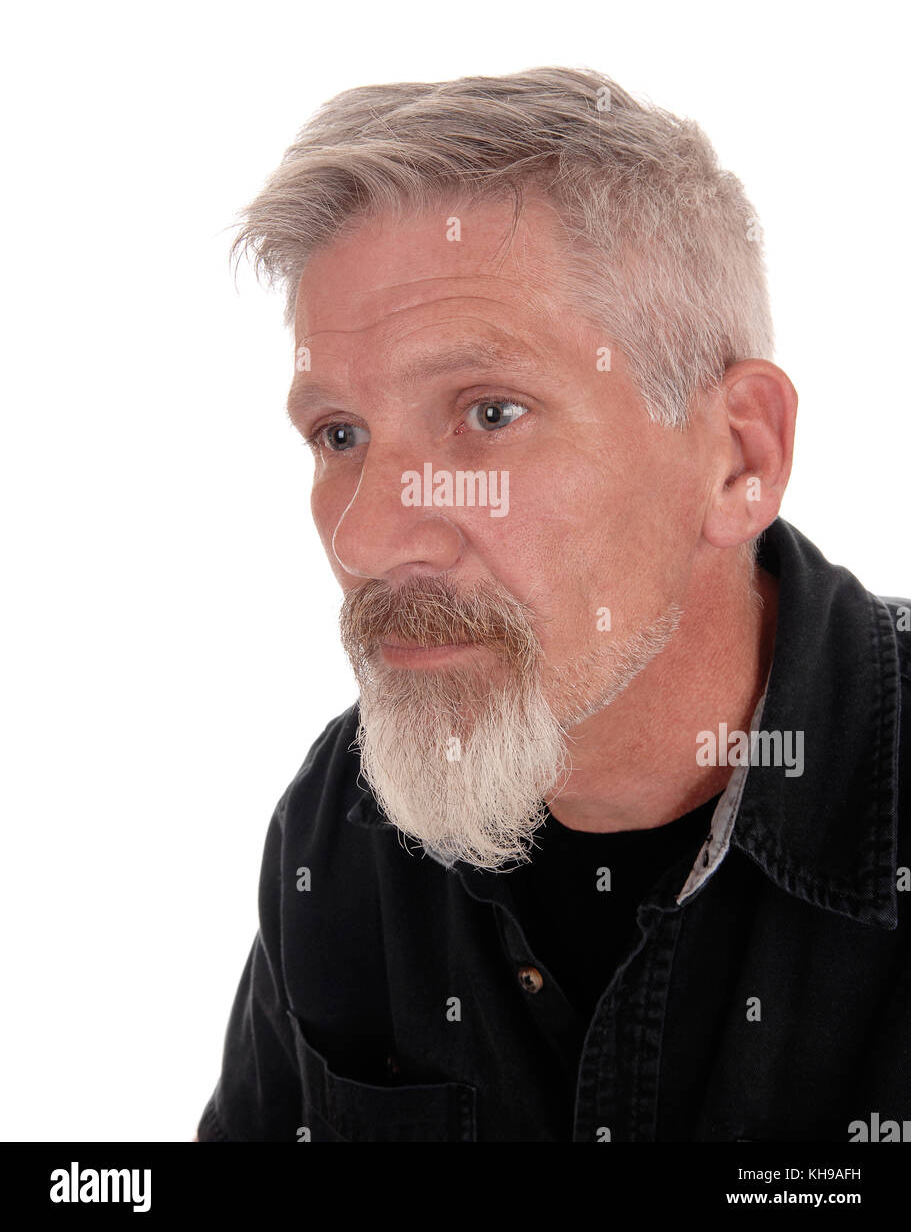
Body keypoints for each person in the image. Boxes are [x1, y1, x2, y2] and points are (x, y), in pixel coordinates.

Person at [195, 67, 910, 1142]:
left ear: (736, 457)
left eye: (487, 412)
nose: (371, 536)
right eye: (340, 434)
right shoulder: (343, 819)